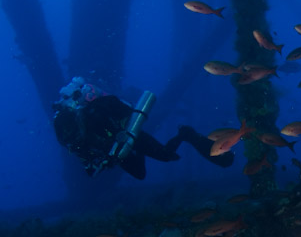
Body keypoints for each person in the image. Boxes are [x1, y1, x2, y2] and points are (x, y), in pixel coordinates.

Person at [52, 77, 233, 180]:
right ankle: (141, 151)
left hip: (130, 135)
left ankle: (185, 134)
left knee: (166, 155)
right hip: (118, 148)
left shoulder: (97, 108)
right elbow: (79, 147)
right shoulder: (73, 129)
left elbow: (122, 109)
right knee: (140, 174)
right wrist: (94, 161)